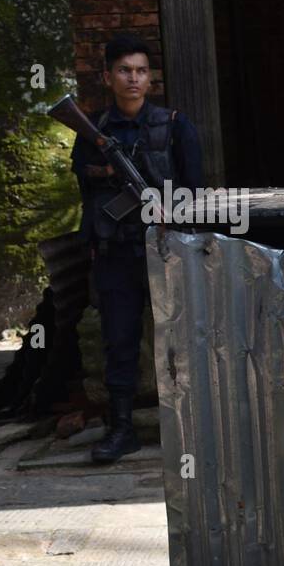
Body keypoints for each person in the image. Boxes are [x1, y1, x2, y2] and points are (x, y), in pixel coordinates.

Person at [70, 34, 203, 461]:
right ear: (108, 76)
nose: (133, 78)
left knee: (182, 341)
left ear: (151, 78)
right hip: (116, 256)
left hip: (167, 252)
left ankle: (192, 429)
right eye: (125, 70)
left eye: (141, 71)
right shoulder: (93, 132)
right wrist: (108, 170)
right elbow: (87, 194)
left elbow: (196, 192)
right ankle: (121, 428)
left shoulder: (175, 125)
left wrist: (170, 207)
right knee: (119, 341)